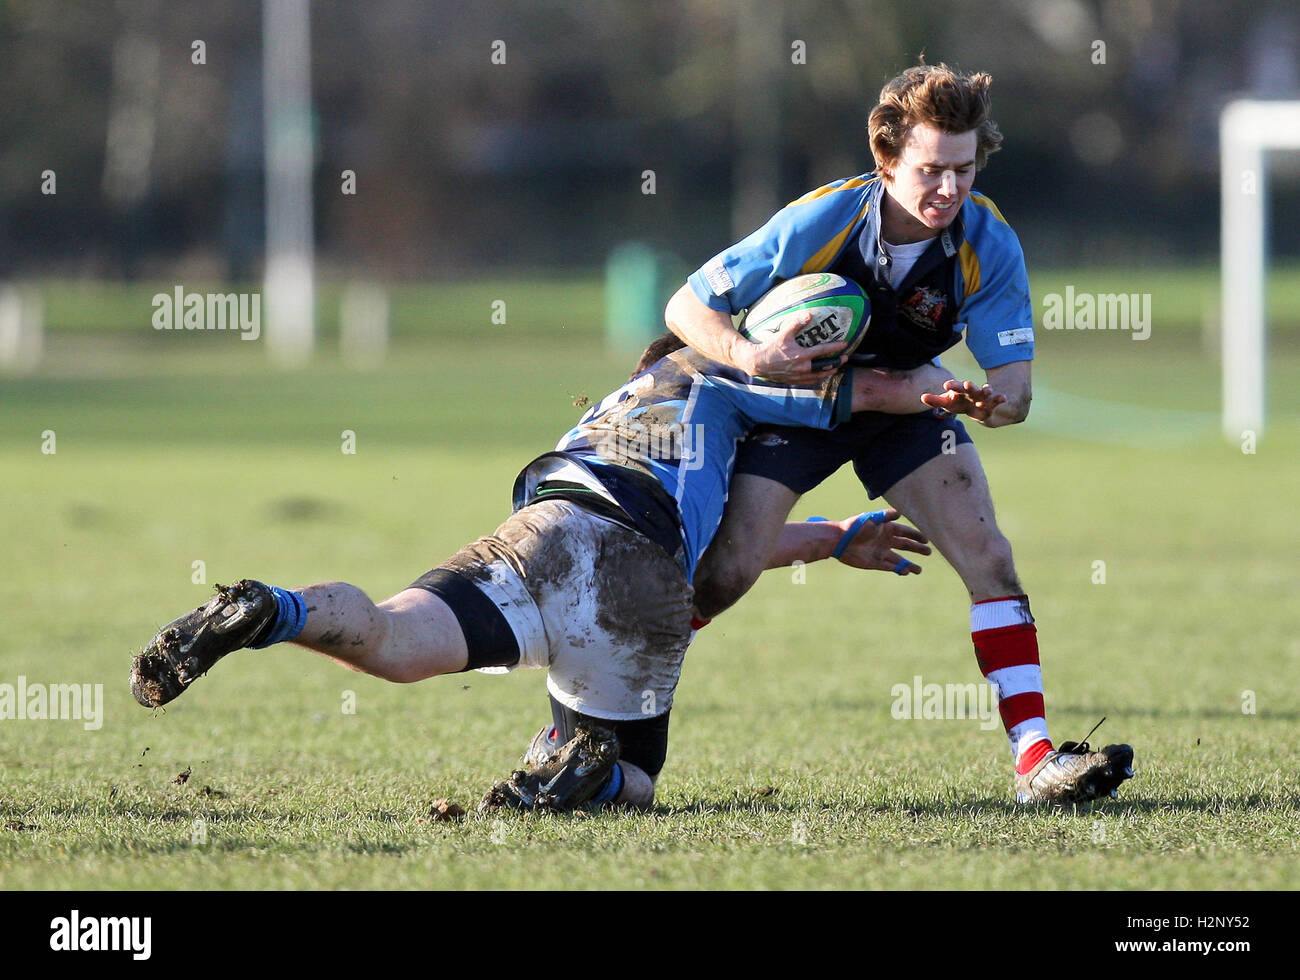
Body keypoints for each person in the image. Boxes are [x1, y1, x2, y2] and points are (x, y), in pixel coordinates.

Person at [130, 333, 941, 812]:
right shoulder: (733, 378)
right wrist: (952, 395)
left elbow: (732, 541)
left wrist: (831, 538)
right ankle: (579, 764)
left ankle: (272, 609)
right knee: (635, 778)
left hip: (545, 522)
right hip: (638, 564)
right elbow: (844, 410)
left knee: (395, 637)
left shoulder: (610, 406)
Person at [662, 62, 1133, 804]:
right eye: (931, 170)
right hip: (800, 409)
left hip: (909, 408)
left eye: (964, 169)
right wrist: (751, 354)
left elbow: (1016, 391)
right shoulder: (820, 220)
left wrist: (987, 405)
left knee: (991, 558)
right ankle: (618, 691)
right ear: (886, 160)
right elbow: (687, 307)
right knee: (725, 574)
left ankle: (1036, 761)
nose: (950, 190)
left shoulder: (988, 241)